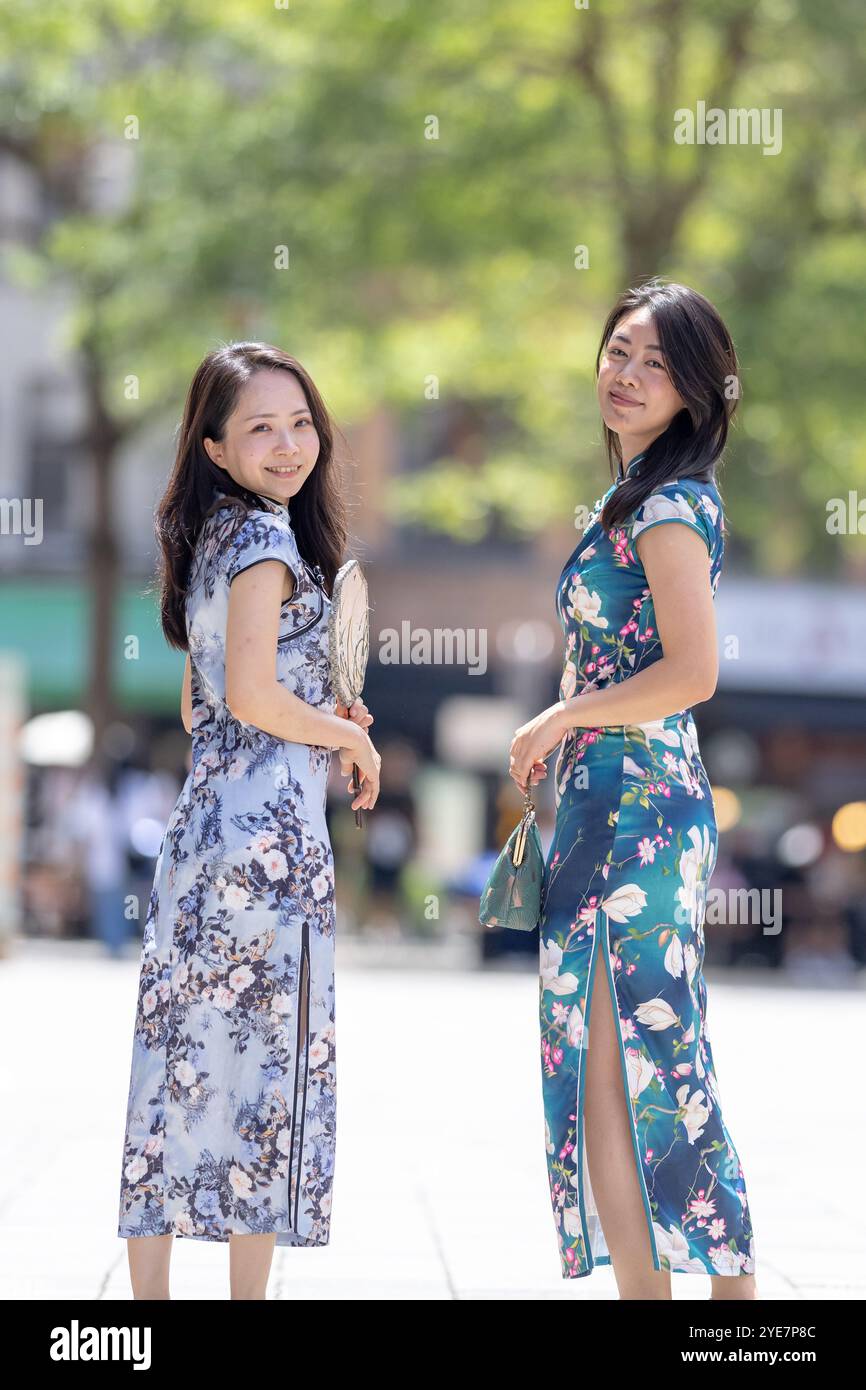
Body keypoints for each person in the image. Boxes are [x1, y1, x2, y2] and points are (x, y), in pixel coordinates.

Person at [509, 279, 757, 1300]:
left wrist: (562, 717)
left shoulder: (665, 505)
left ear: (695, 391)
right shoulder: (636, 497)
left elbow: (691, 673)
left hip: (637, 811)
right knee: (616, 1074)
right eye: (617, 350)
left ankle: (725, 1311)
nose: (624, 373)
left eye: (653, 363)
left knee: (638, 1072)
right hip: (608, 803)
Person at [117, 342, 381, 1300]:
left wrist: (317, 716)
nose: (287, 443)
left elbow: (203, 710)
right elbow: (253, 694)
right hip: (268, 842)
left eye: (300, 421)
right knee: (265, 1076)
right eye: (260, 427)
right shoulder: (270, 544)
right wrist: (347, 742)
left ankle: (144, 1311)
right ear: (217, 448)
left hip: (200, 835)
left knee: (177, 1058)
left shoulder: (214, 540)